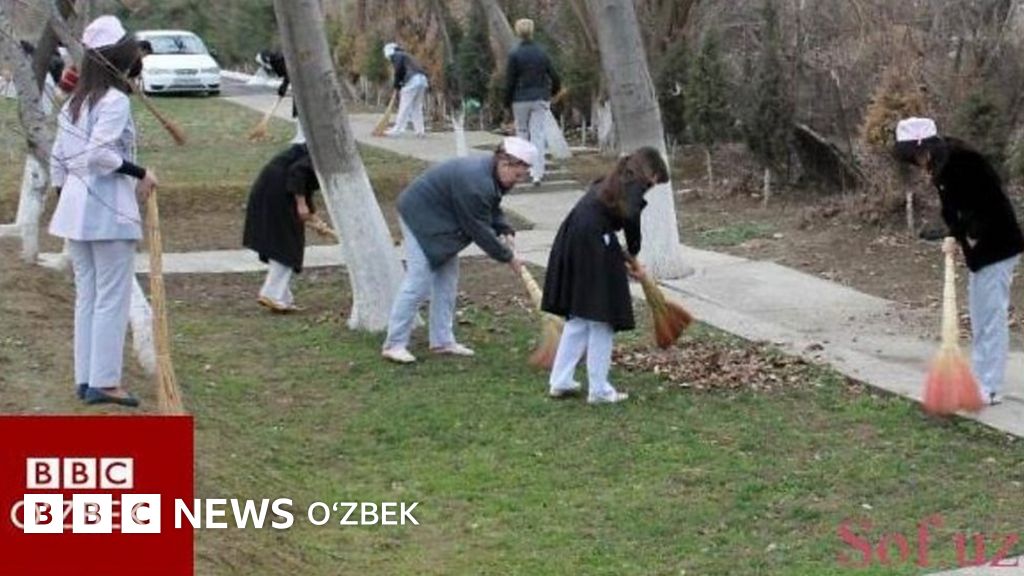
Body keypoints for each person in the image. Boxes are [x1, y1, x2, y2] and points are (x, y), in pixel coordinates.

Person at [49, 15, 158, 407]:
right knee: (110, 297)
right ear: (116, 60)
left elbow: (58, 161)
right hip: (107, 211)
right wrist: (141, 172)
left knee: (89, 297)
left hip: (77, 212)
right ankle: (105, 381)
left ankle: (87, 379)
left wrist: (69, 198)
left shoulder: (72, 104)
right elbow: (99, 154)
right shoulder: (113, 102)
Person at [894, 117, 1024, 406]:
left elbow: (988, 199)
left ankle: (989, 386)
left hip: (998, 245)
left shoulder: (964, 162)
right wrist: (954, 235)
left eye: (917, 154)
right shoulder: (942, 166)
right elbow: (954, 208)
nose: (917, 162)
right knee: (981, 317)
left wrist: (972, 234)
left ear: (926, 147)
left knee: (990, 317)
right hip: (982, 250)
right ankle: (981, 380)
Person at [381, 136, 534, 363]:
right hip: (419, 216)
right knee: (419, 280)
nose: (518, 181)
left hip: (442, 218)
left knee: (447, 280)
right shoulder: (476, 182)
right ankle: (394, 344)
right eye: (518, 175)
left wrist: (505, 228)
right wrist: (508, 257)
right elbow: (479, 229)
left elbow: (492, 206)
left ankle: (442, 341)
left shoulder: (494, 175)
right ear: (505, 162)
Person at [541, 147, 668, 404]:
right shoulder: (634, 184)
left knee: (580, 316)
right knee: (602, 317)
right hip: (593, 242)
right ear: (651, 173)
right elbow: (631, 223)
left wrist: (623, 256)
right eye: (656, 181)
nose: (652, 186)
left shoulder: (614, 178)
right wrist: (633, 255)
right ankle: (599, 390)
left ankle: (560, 380)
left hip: (574, 237)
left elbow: (605, 222)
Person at [243, 134, 320, 313]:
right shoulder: (325, 150)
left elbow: (305, 182)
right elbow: (298, 172)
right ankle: (271, 293)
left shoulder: (317, 146)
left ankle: (283, 298)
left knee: (282, 242)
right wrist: (301, 204)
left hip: (274, 188)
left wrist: (313, 215)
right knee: (287, 244)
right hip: (279, 191)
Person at [505, 18, 561, 186]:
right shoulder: (542, 53)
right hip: (539, 98)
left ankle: (522, 171)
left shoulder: (514, 54)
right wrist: (550, 93)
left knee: (522, 133)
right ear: (532, 31)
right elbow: (555, 76)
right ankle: (537, 173)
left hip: (520, 98)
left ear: (517, 32)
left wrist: (506, 102)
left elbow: (510, 81)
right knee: (537, 134)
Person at [383, 42, 429, 137]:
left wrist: (397, 84)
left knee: (404, 106)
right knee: (416, 107)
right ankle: (420, 131)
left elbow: (399, 70)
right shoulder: (407, 55)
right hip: (423, 80)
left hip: (412, 80)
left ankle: (397, 129)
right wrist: (400, 84)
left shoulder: (397, 55)